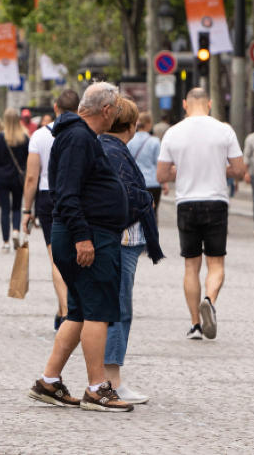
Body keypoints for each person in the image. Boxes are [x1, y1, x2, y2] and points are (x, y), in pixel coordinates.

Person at [27, 81, 132, 413]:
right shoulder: (78, 138)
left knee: (78, 311)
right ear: (105, 110)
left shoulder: (76, 135)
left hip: (84, 234)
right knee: (98, 311)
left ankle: (49, 380)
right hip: (89, 237)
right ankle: (97, 387)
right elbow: (67, 193)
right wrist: (83, 237)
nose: (116, 115)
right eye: (115, 109)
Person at [156, 88, 246, 340]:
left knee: (190, 265)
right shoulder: (224, 130)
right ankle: (210, 299)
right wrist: (220, 168)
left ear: (185, 104)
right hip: (216, 201)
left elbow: (161, 175)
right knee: (216, 263)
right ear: (210, 103)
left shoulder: (173, 133)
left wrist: (181, 170)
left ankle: (195, 323)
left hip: (186, 202)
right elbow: (239, 170)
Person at [98, 96, 164, 405]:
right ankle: (111, 379)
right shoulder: (113, 151)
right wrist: (144, 200)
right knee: (120, 310)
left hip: (120, 237)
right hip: (123, 237)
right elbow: (123, 196)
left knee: (112, 309)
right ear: (133, 125)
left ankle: (102, 377)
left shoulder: (107, 148)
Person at [22, 89, 80, 333]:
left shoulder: (39, 136)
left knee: (56, 258)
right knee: (74, 257)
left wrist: (27, 209)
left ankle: (66, 311)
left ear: (55, 108)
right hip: (76, 195)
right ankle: (65, 309)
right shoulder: (84, 134)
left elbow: (31, 176)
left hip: (47, 196)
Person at [0, 108, 29, 252]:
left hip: (2, 177)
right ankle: (16, 231)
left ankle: (5, 242)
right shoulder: (24, 138)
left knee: (4, 209)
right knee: (17, 207)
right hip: (18, 178)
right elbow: (28, 157)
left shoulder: (0, 138)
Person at [128, 112, 162, 211]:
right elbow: (158, 163)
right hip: (153, 182)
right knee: (153, 213)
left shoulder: (130, 141)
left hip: (136, 183)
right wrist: (164, 184)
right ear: (148, 124)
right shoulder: (155, 141)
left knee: (138, 216)